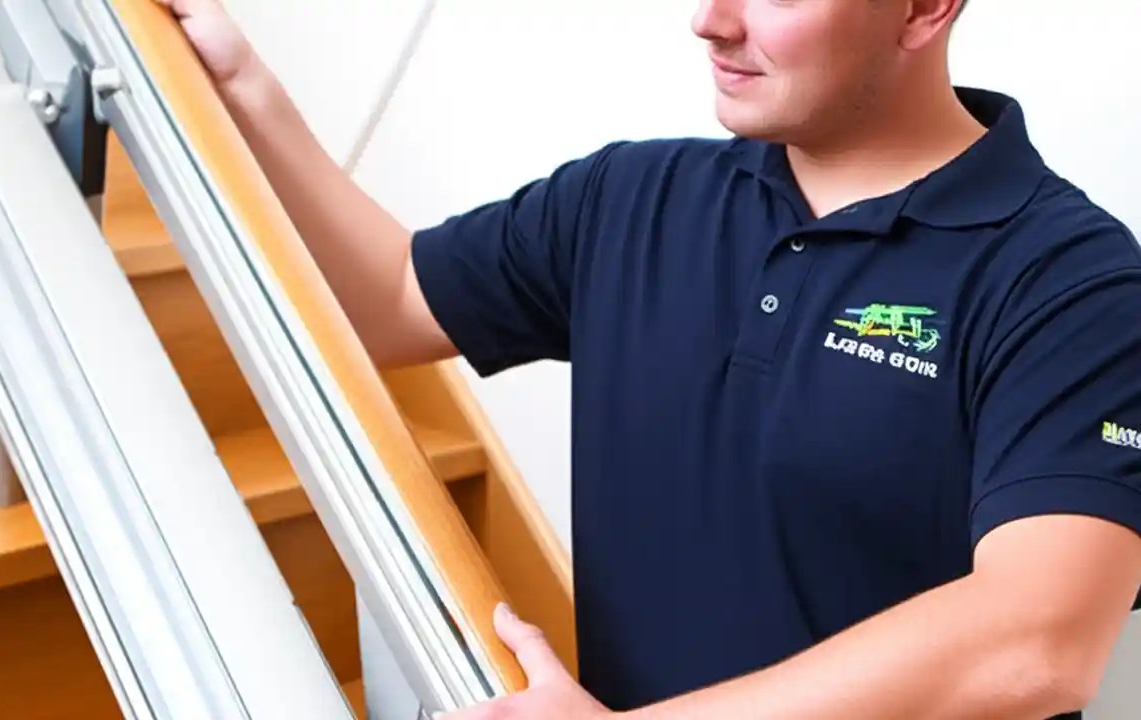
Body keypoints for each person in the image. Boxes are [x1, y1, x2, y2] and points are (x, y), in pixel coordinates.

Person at [158, 0, 1141, 717]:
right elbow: (392, 301)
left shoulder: (1074, 280)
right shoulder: (631, 197)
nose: (710, 22)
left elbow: (1038, 639)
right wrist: (244, 88)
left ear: (923, 8)